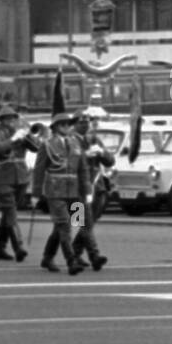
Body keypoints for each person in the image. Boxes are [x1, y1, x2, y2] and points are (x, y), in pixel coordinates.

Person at [31, 113, 87, 276]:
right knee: (64, 225)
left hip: (75, 191)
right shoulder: (47, 145)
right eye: (62, 124)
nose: (66, 127)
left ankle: (47, 257)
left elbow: (82, 169)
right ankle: (71, 261)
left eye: (68, 124)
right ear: (54, 127)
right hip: (55, 192)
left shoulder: (76, 143)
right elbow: (39, 170)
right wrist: (35, 194)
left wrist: (87, 190)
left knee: (78, 224)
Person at [0, 106, 35, 261]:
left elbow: (37, 148)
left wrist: (28, 136)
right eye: (9, 119)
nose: (12, 122)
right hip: (3, 178)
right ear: (2, 120)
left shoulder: (79, 142)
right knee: (10, 212)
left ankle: (0, 248)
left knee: (9, 214)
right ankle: (18, 247)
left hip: (21, 178)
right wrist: (13, 139)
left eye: (14, 118)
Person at [70, 111, 112, 268]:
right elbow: (69, 161)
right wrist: (85, 155)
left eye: (87, 122)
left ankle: (75, 252)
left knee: (90, 222)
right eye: (81, 122)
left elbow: (110, 161)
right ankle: (93, 255)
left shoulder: (94, 139)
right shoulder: (70, 140)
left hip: (96, 186)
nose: (85, 125)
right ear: (74, 124)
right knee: (79, 222)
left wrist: (102, 152)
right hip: (77, 188)